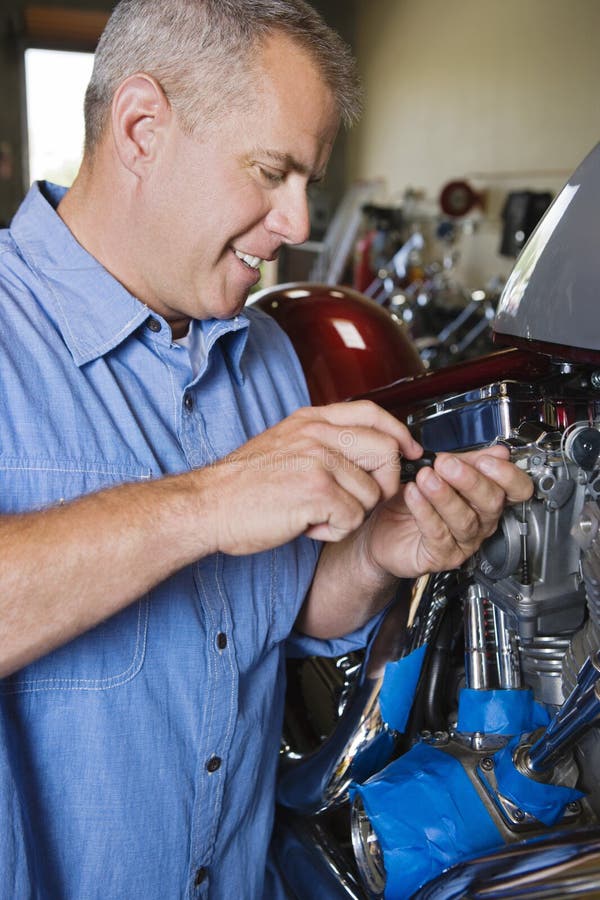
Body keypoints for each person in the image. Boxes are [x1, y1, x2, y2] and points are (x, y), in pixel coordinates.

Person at [0, 1, 532, 897]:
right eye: (271, 171)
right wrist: (206, 503)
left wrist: (378, 551)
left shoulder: (265, 356)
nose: (295, 221)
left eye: (308, 183)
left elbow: (281, 609)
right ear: (140, 128)